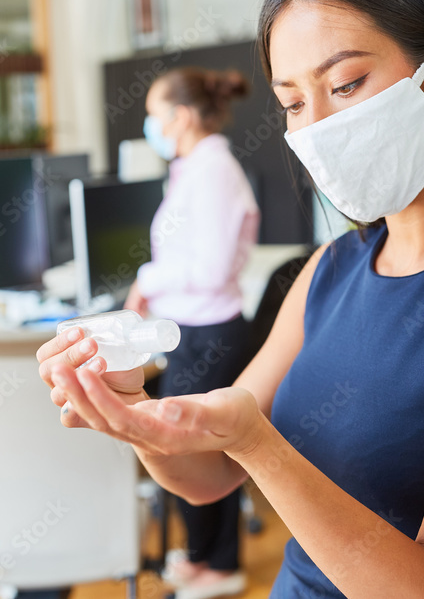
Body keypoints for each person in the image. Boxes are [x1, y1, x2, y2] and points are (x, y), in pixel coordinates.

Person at [37, 0, 424, 596]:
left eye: (344, 84)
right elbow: (210, 475)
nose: (315, 128)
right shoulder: (329, 270)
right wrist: (134, 413)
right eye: (292, 102)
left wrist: (261, 445)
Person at [124, 67, 260, 598]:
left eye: (155, 116)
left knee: (196, 453)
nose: (151, 127)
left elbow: (207, 269)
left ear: (181, 116)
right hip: (190, 329)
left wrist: (145, 278)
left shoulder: (214, 173)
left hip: (210, 335)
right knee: (191, 449)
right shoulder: (194, 169)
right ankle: (206, 557)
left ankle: (219, 567)